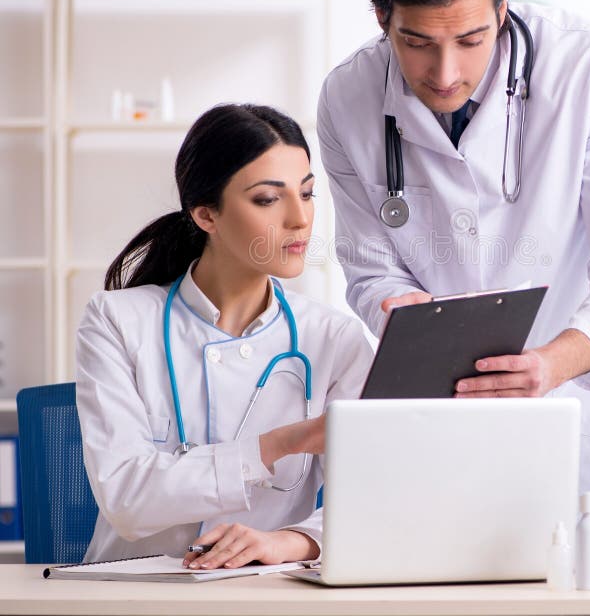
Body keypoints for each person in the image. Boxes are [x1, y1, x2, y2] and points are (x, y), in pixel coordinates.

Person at [318, 0, 590, 545]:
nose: (446, 73)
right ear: (382, 18)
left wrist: (550, 364)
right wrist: (407, 316)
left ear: (503, 9)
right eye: (417, 43)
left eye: (470, 40)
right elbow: (368, 266)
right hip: (454, 417)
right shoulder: (347, 100)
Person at [76, 104, 373, 567]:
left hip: (267, 592)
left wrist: (288, 542)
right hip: (132, 591)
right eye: (268, 199)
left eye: (308, 193)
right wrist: (281, 443)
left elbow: (370, 497)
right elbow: (127, 499)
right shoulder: (118, 320)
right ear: (206, 215)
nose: (300, 219)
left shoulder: (334, 338)